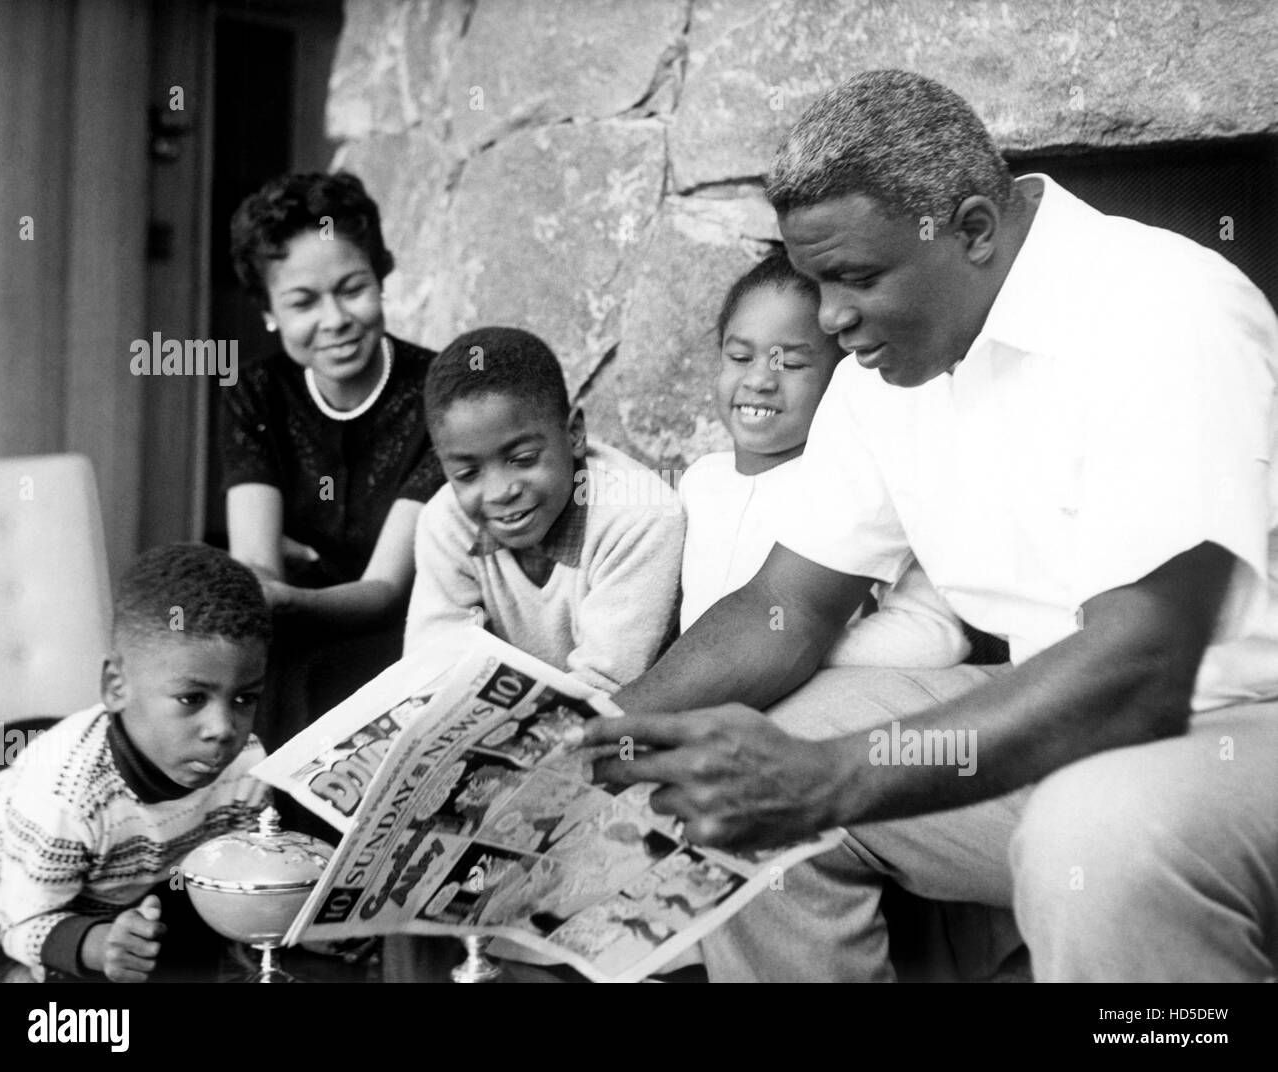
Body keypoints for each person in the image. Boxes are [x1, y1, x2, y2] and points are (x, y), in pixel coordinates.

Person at [579, 69, 1278, 982]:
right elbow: (784, 607)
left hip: (1231, 728)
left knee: (1103, 834)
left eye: (856, 279)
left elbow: (1141, 672)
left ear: (975, 230)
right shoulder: (886, 367)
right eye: (816, 282)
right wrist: (587, 739)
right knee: (725, 764)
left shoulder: (1165, 308)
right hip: (1056, 724)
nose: (831, 320)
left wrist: (830, 777)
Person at [0, 544, 270, 982]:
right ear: (116, 686)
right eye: (192, 699)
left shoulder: (245, 766)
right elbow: (22, 927)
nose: (223, 728)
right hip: (1, 903)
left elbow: (231, 875)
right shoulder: (64, 798)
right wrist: (98, 946)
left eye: (244, 698)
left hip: (125, 887)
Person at [224, 171, 445, 748]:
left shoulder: (436, 393)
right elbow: (254, 559)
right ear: (269, 311)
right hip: (293, 621)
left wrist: (282, 598)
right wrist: (264, 590)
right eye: (302, 302)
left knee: (316, 677)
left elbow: (386, 589)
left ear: (382, 276)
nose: (336, 320)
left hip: (406, 628)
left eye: (352, 289)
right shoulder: (258, 396)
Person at [680, 248, 968, 668]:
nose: (759, 379)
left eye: (792, 363)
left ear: (845, 378)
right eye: (740, 357)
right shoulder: (700, 481)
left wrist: (788, 652)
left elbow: (933, 639)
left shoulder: (864, 488)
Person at [402, 326, 685, 693]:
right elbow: (433, 665)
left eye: (523, 459)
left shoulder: (639, 518)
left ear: (574, 434)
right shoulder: (446, 521)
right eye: (467, 473)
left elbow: (605, 685)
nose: (500, 492)